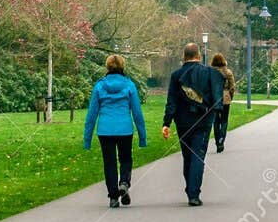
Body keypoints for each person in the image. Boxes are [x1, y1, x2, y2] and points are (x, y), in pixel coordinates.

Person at [161, 42, 223, 206]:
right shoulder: (209, 73)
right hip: (203, 121)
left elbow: (171, 101)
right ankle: (193, 193)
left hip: (182, 122)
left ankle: (190, 189)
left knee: (187, 156)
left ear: (184, 56)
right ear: (198, 55)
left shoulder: (176, 75)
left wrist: (166, 123)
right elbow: (216, 96)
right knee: (198, 155)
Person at [83, 54, 146, 209]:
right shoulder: (129, 85)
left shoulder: (99, 86)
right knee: (125, 158)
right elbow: (137, 112)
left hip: (105, 130)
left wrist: (87, 139)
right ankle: (124, 182)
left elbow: (92, 114)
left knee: (109, 163)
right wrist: (142, 136)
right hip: (124, 128)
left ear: (108, 67)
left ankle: (113, 197)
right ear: (122, 67)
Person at [210, 52, 235, 153]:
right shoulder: (228, 72)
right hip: (225, 98)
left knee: (216, 121)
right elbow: (232, 87)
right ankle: (221, 140)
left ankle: (217, 142)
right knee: (224, 120)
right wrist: (230, 97)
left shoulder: (211, 72)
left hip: (214, 99)